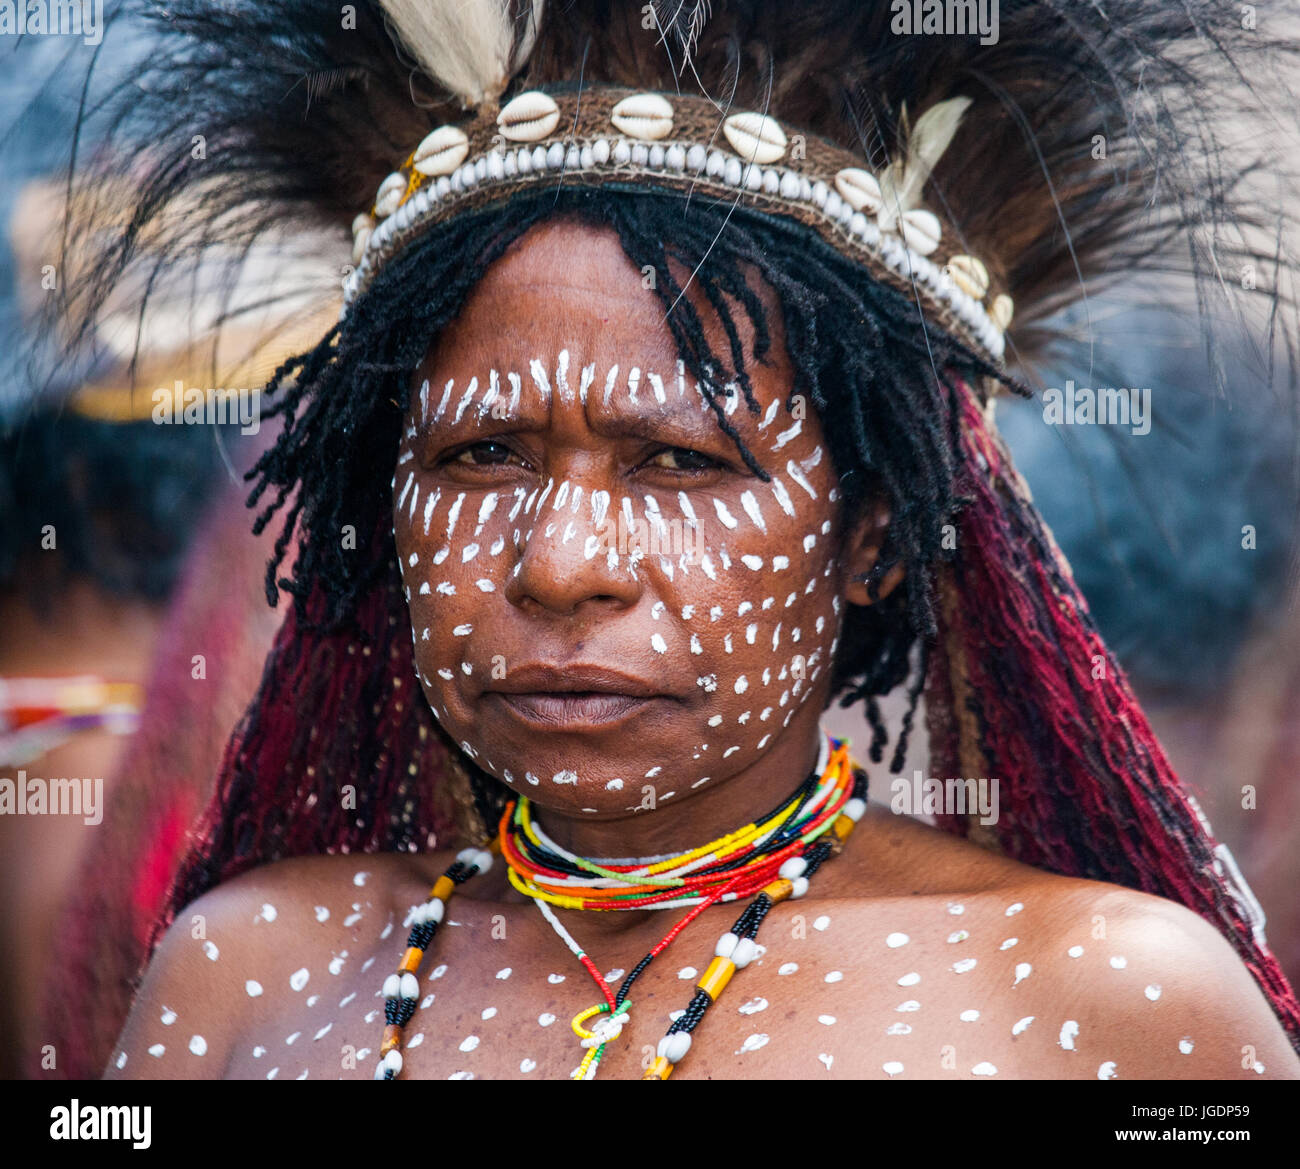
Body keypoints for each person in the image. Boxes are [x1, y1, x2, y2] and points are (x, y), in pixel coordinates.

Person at [77, 0, 1298, 1079]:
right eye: (480, 455)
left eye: (680, 463)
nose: (559, 565)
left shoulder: (1112, 994)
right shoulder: (244, 972)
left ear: (869, 534)